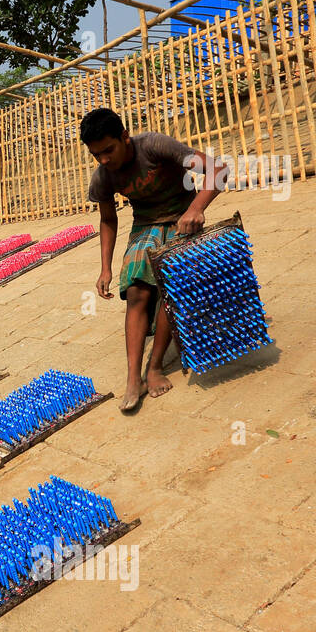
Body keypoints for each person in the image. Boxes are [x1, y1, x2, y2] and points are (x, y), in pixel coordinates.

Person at [80, 108, 228, 412]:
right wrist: (106, 267)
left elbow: (218, 170)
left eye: (108, 150)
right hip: (145, 226)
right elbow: (108, 219)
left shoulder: (155, 146)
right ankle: (133, 377)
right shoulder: (103, 177)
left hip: (183, 219)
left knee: (171, 289)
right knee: (136, 290)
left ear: (125, 137)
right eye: (97, 155)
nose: (104, 160)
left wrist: (196, 208)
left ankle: (155, 367)